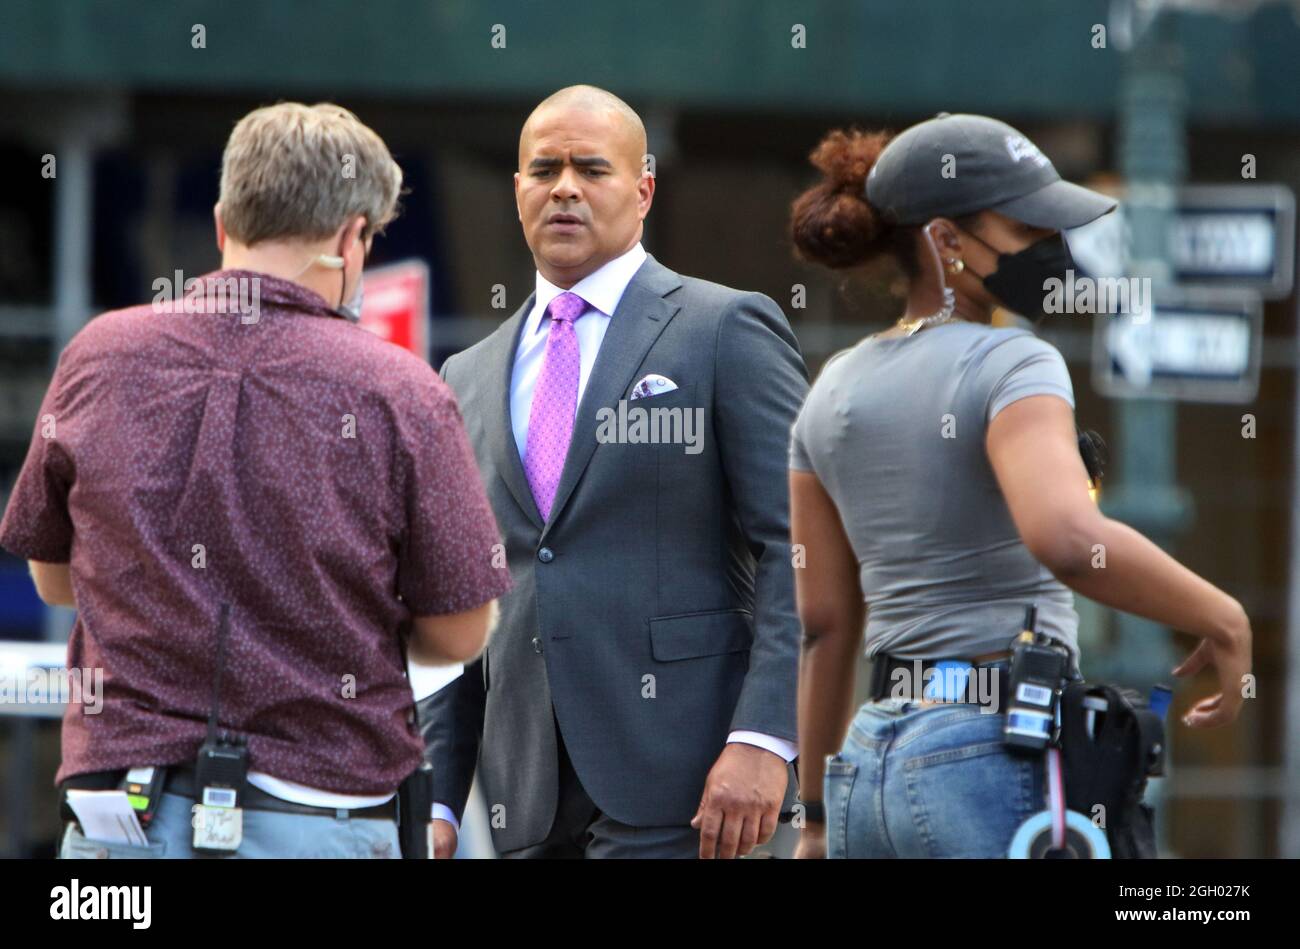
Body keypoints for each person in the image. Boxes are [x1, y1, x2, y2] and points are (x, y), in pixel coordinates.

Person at [0, 102, 510, 858]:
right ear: (350, 238)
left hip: (122, 829)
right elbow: (461, 628)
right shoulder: (399, 391)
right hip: (323, 822)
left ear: (219, 222)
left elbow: (51, 575)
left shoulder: (97, 355)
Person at [786, 114, 1253, 859]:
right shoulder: (1012, 362)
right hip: (983, 750)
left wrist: (811, 819)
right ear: (945, 241)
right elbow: (1068, 539)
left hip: (867, 764)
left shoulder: (832, 387)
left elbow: (823, 624)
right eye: (1029, 228)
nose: (1051, 249)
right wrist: (1222, 614)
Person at [421, 85, 808, 858]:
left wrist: (766, 735)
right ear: (519, 189)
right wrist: (438, 800)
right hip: (522, 796)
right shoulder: (464, 373)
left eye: (592, 169)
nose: (565, 186)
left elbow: (799, 546)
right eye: (544, 169)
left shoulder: (723, 328)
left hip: (690, 786)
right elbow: (459, 593)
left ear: (643, 190)